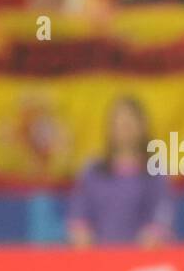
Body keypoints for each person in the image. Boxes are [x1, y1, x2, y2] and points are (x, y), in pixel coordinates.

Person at [66, 95, 172, 247]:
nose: (124, 129)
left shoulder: (154, 172)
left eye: (129, 123)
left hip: (142, 255)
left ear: (142, 126)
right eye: (119, 123)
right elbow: (79, 211)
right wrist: (81, 233)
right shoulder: (93, 171)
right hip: (97, 255)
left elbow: (161, 214)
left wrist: (153, 235)